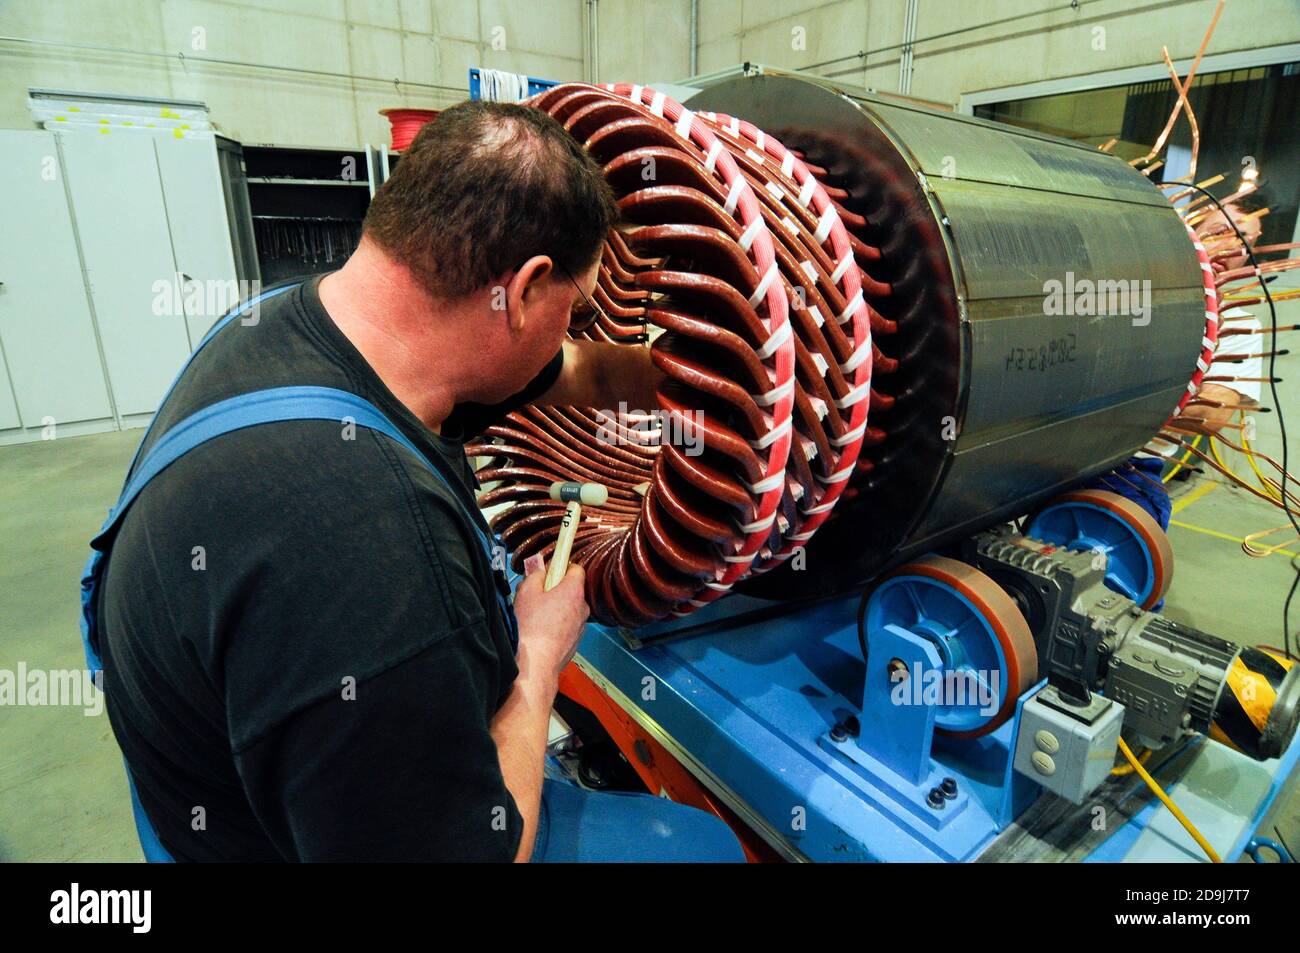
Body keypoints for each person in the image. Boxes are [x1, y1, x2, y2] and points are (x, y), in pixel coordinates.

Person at [93, 101, 744, 862]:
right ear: (527, 290)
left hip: (219, 782)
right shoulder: (368, 546)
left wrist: (728, 371)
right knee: (697, 847)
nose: (572, 329)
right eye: (575, 304)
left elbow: (586, 371)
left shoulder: (296, 326)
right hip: (283, 839)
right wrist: (536, 659)